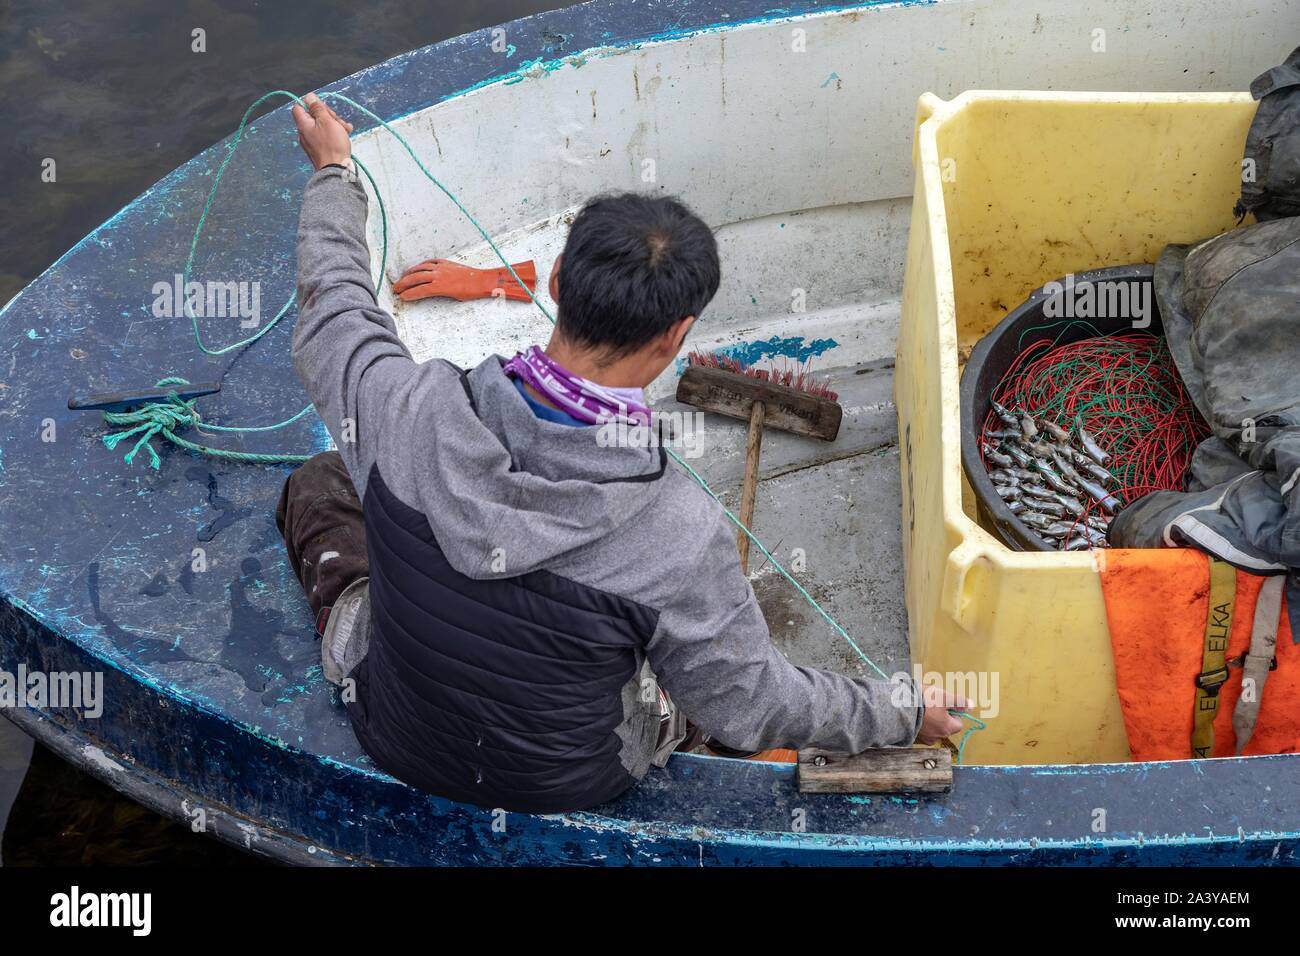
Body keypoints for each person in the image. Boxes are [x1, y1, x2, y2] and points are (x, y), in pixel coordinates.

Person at [279, 93, 962, 814]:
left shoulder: (404, 410)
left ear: (555, 282)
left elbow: (333, 306)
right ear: (677, 336)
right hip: (570, 782)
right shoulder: (678, 533)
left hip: (393, 734)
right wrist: (902, 710)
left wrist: (334, 170)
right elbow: (753, 706)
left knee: (322, 482)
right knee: (698, 698)